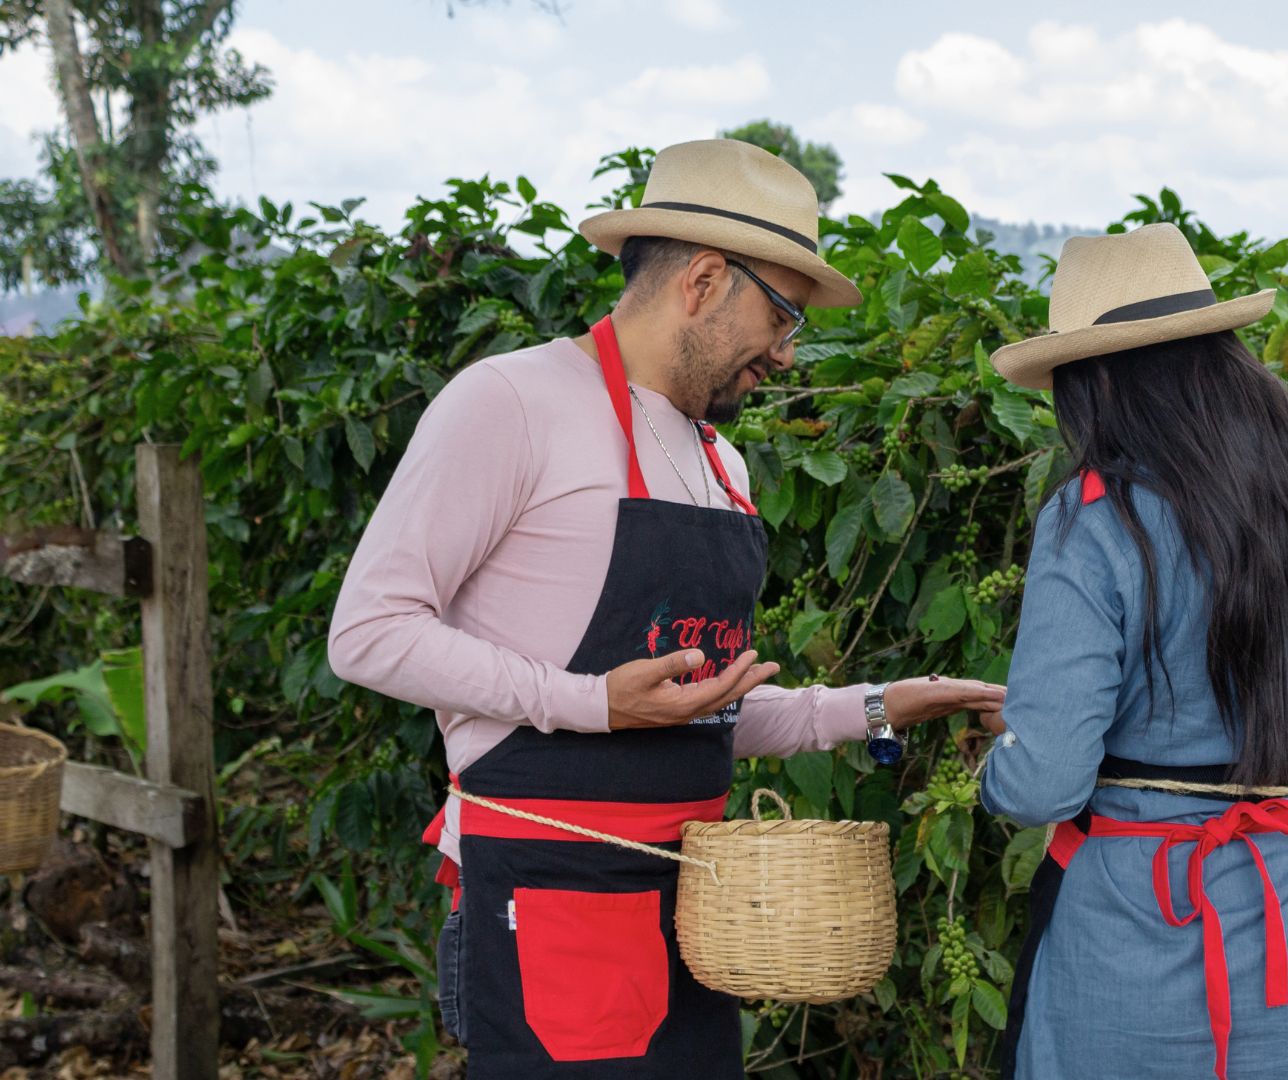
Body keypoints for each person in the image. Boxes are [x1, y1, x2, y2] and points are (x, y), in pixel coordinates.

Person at [326, 138, 1003, 1079]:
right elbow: (367, 631)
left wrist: (886, 703)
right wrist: (592, 701)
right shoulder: (512, 403)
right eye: (783, 315)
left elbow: (701, 709)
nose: (788, 351)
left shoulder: (722, 464)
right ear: (704, 279)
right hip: (554, 902)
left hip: (696, 910)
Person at [975, 223, 1288, 1079]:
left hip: (1145, 931)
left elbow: (1041, 784)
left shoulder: (1099, 514)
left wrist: (1008, 751)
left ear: (1095, 385)